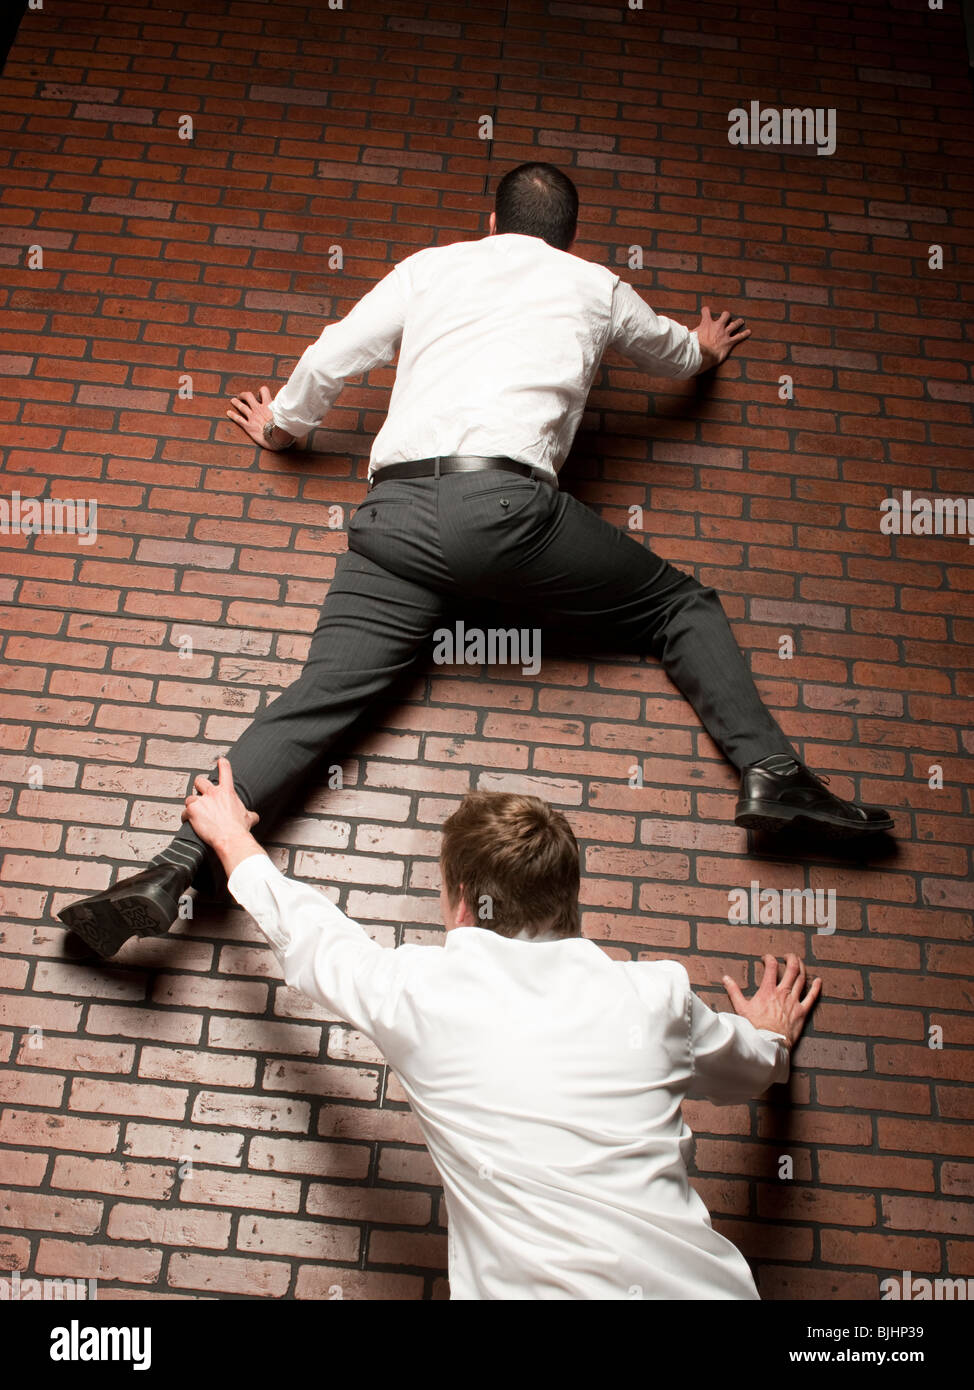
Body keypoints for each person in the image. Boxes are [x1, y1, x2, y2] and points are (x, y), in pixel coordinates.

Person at [58, 161, 892, 959]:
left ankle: (172, 867)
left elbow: (333, 353)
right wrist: (705, 349)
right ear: (565, 237)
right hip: (503, 515)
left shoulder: (431, 267)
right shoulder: (594, 285)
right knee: (681, 607)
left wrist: (284, 428)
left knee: (316, 702)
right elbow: (673, 353)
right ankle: (773, 772)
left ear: (491, 223)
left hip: (390, 524)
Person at [176, 760, 820, 1300]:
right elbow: (748, 1070)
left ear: (461, 900)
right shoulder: (657, 996)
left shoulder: (420, 995)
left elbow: (318, 939)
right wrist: (770, 1039)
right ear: (569, 897)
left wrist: (232, 838)